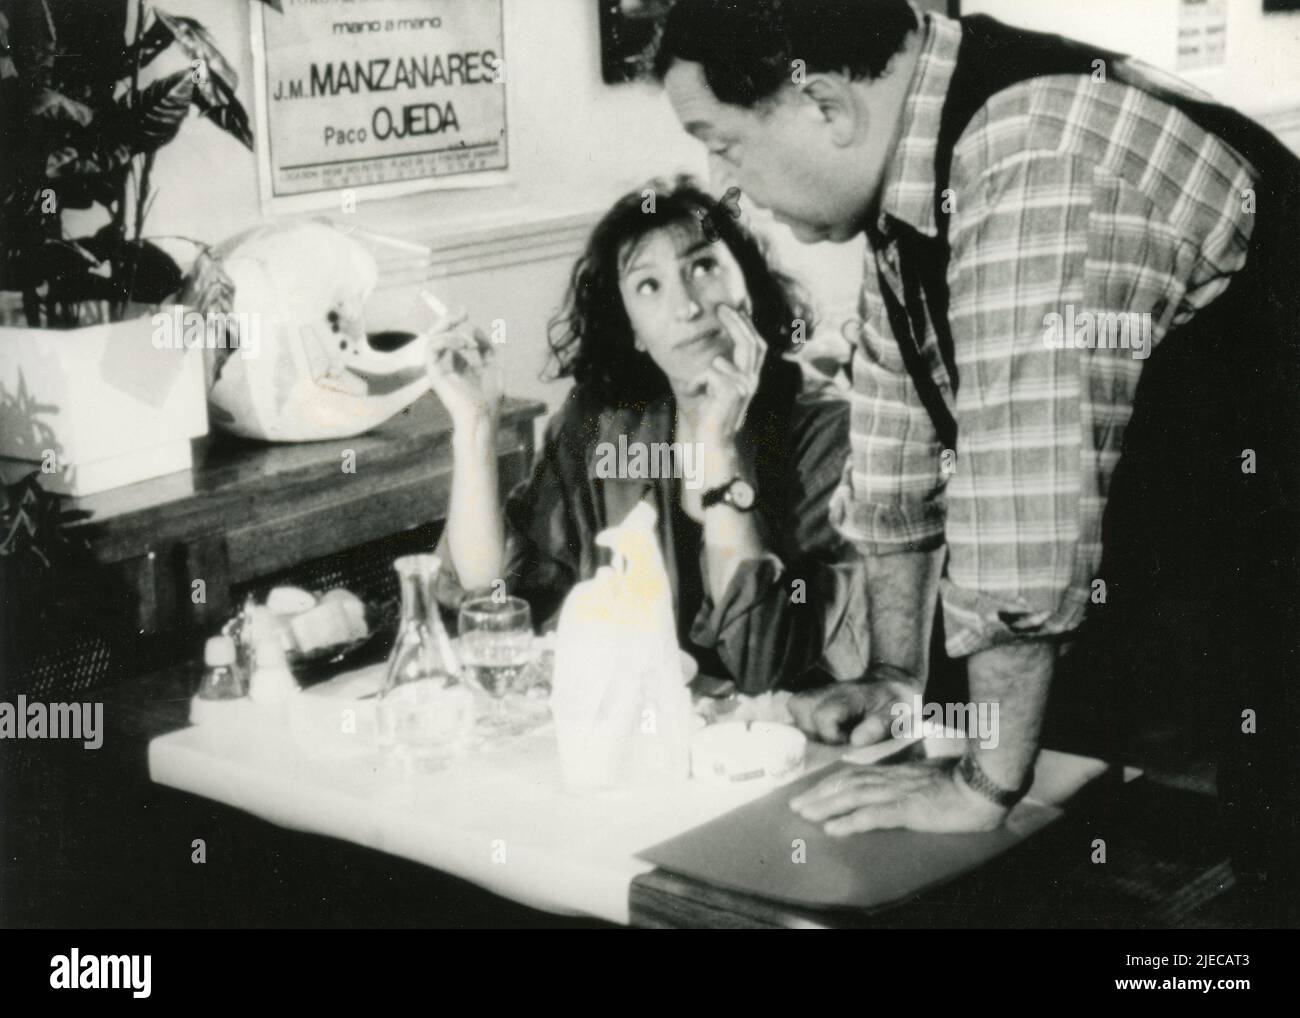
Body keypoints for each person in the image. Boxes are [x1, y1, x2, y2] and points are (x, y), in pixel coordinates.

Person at [652, 0, 1298, 913]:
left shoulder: (1036, 158)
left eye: (721, 142)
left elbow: (1023, 511)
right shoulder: (912, 158)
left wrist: (980, 789)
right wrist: (892, 677)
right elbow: (895, 444)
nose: (720, 180)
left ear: (826, 105)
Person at [425, 177, 869, 694]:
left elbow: (761, 658)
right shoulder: (604, 427)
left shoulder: (833, 432)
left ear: (745, 281)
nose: (686, 306)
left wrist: (719, 446)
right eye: (648, 286)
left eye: (703, 267)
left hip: (788, 744)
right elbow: (491, 596)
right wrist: (476, 427)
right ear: (632, 327)